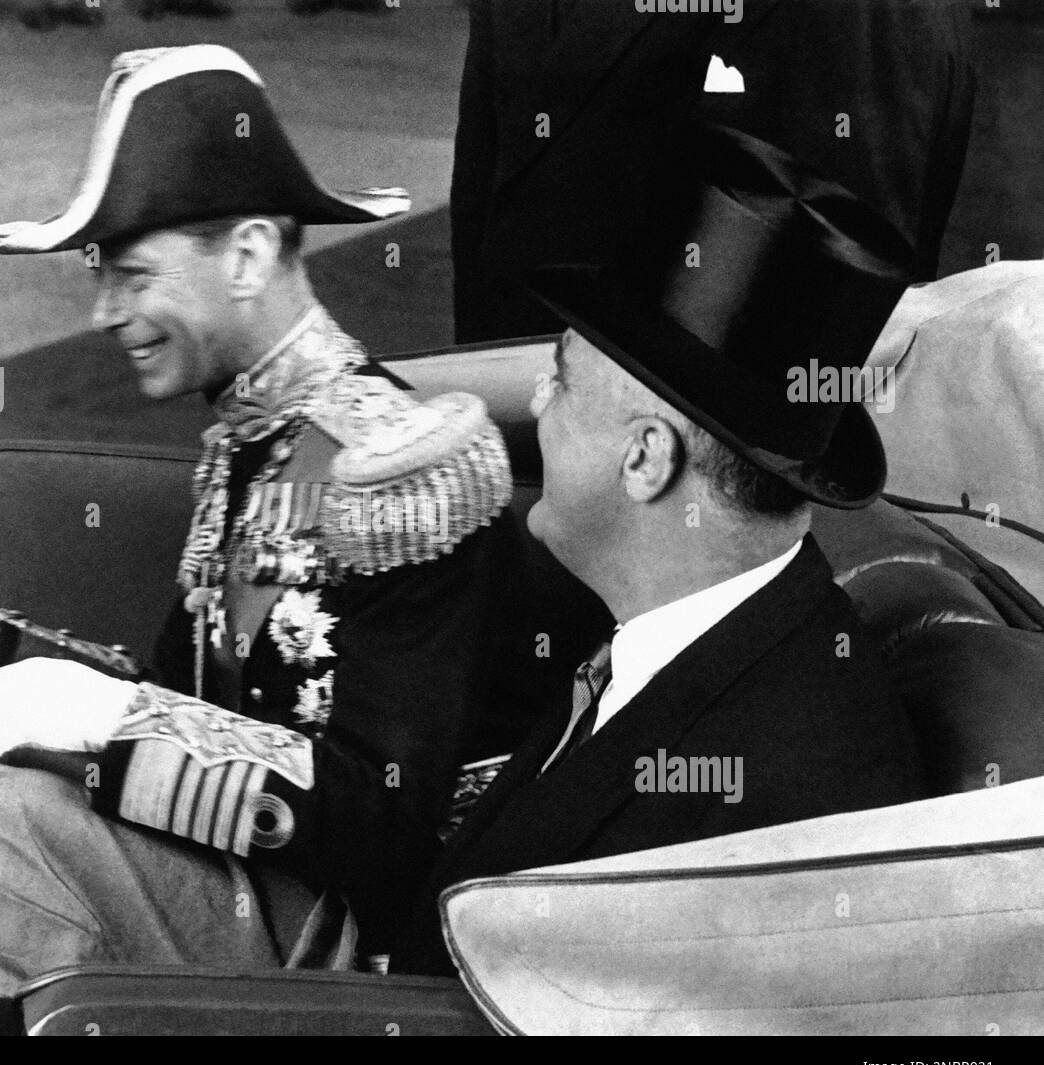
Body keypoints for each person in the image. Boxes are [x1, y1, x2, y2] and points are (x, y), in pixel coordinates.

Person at [0, 45, 514, 995]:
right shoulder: (245, 438)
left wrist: (118, 728)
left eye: (135, 274)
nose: (106, 311)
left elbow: (388, 824)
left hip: (341, 933)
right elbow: (186, 700)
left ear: (246, 255)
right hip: (230, 874)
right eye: (100, 275)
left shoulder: (397, 470)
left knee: (13, 826)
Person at [392, 126, 930, 975]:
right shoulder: (707, 631)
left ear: (646, 458)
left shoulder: (779, 801)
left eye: (561, 378)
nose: (536, 403)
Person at [451, 0, 976, 343]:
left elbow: (828, 311)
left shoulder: (866, 17)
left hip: (679, 471)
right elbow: (491, 174)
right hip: (509, 427)